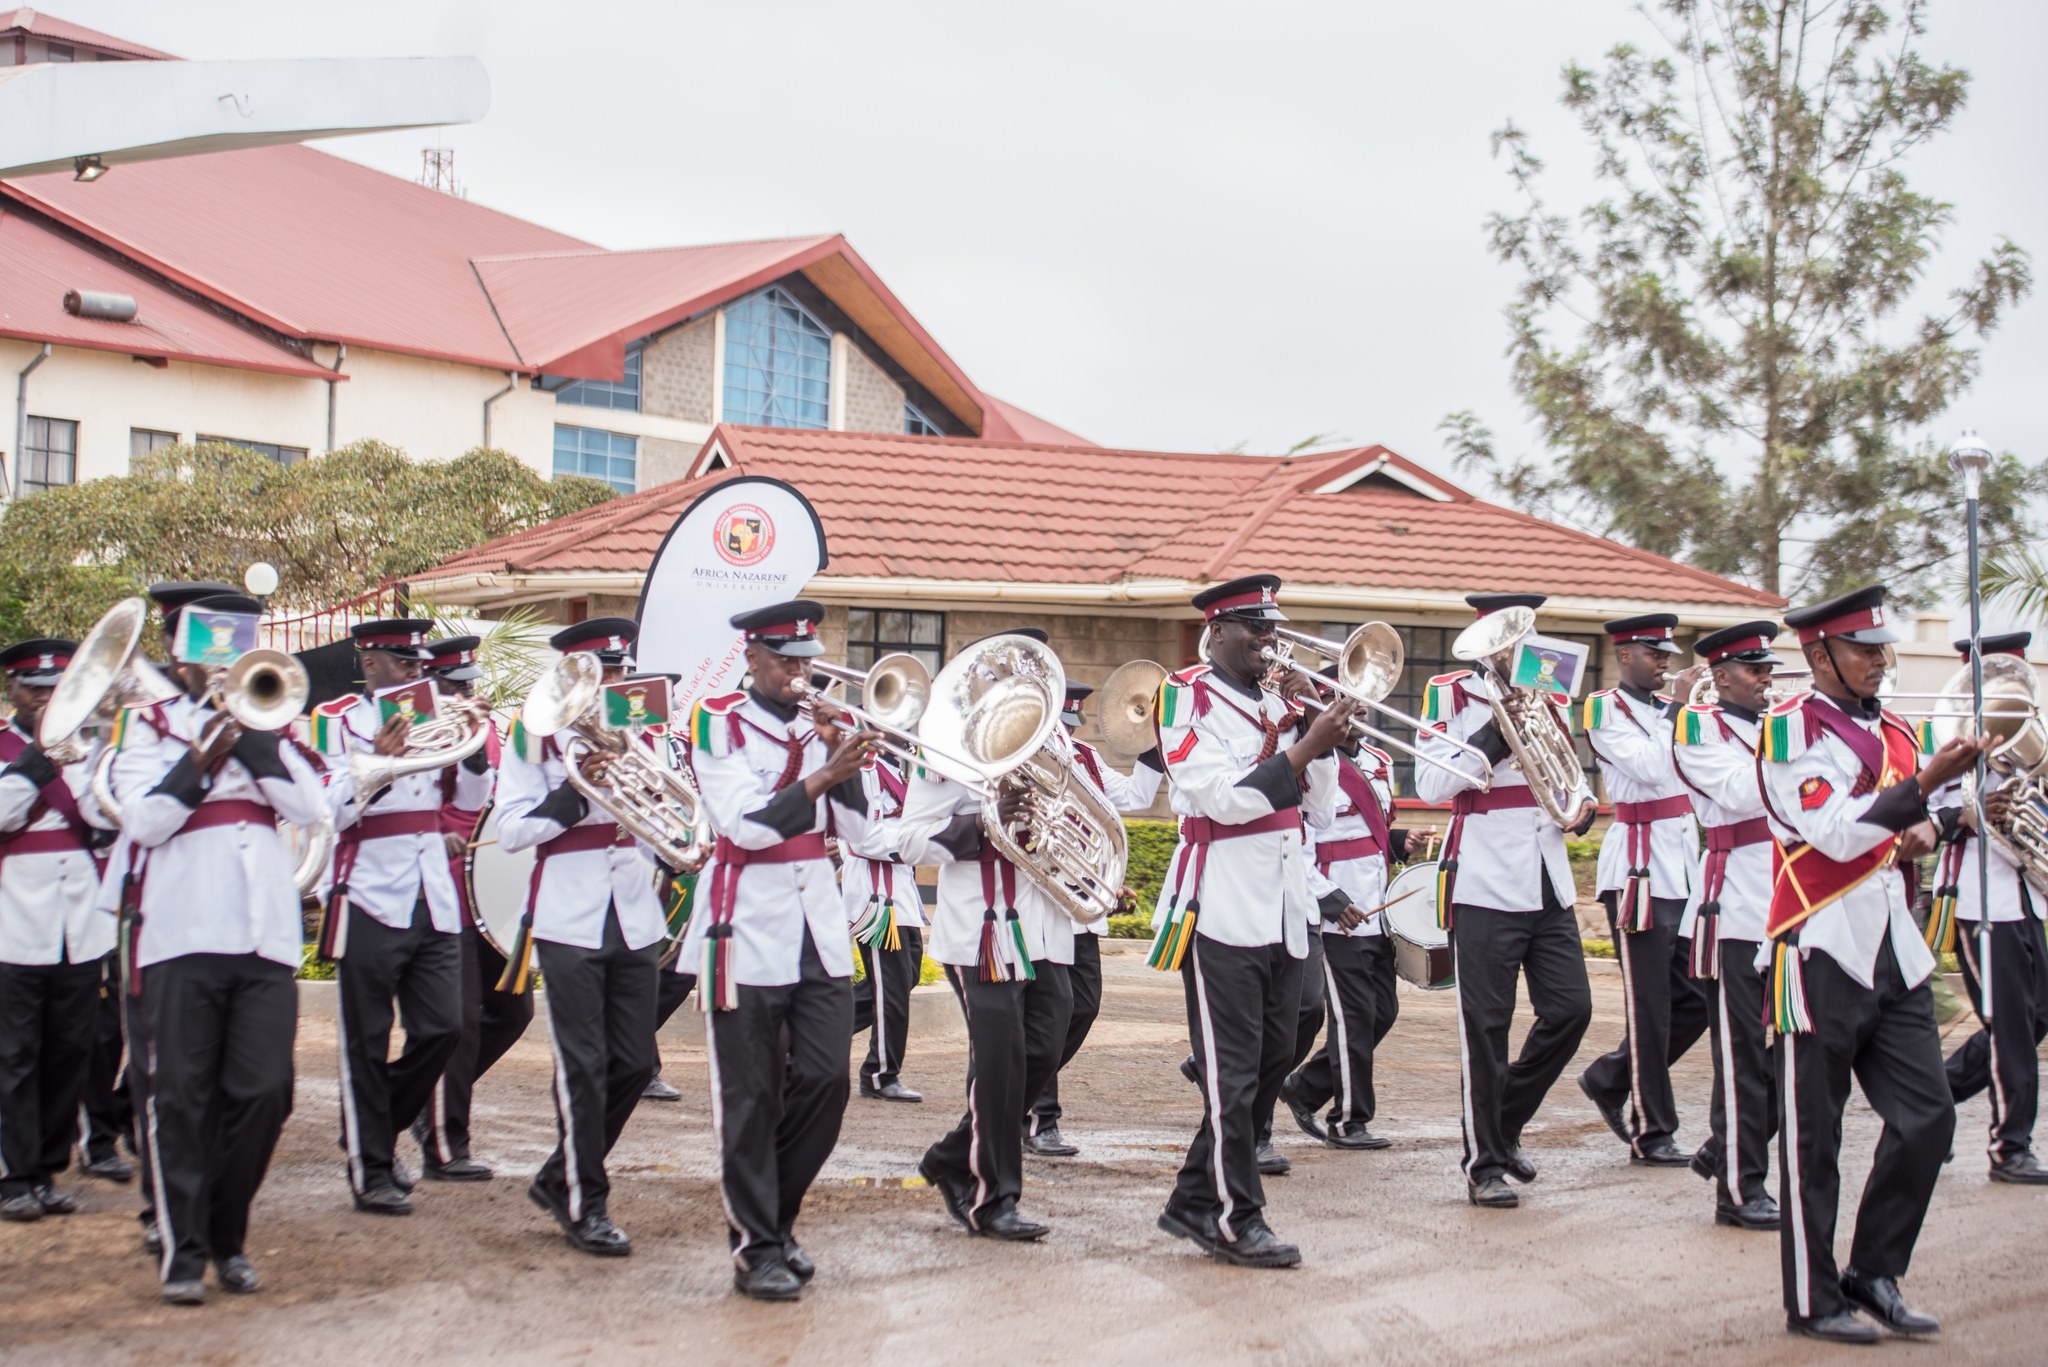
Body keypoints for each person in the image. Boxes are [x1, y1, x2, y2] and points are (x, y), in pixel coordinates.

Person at [1760, 584, 1982, 1343]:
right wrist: (1915, 796)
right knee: (1814, 1137)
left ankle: (1873, 1271)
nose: (1880, 661)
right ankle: (1813, 1295)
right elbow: (1832, 832)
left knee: (1929, 1116)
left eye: (1881, 647)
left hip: (1893, 943)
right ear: (1819, 653)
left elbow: (1924, 813)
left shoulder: (1896, 729)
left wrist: (1951, 806)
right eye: (1863, 648)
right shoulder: (1789, 729)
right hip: (1819, 942)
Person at [110, 586, 329, 1304]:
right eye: (212, 648)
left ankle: (225, 1233)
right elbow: (142, 823)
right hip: (179, 930)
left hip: (263, 934)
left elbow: (312, 808)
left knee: (266, 1091)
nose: (226, 662)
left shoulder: (277, 723)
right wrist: (201, 759)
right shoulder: (143, 726)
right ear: (180, 653)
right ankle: (185, 1251)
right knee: (180, 1097)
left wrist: (258, 741)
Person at [1149, 576, 1349, 1268]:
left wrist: (1322, 742)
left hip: (1285, 900)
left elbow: (1317, 809)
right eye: (1258, 628)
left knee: (1270, 1059)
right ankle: (1237, 1217)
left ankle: (1193, 1198)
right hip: (1222, 902)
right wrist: (1299, 746)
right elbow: (1219, 797)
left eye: (1274, 628)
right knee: (1232, 1073)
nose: (1272, 640)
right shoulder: (1185, 694)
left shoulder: (1278, 700)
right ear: (1219, 629)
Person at [678, 600, 872, 1300]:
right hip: (746, 920)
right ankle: (757, 1242)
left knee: (825, 1079)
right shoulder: (715, 720)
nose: (799, 672)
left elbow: (858, 829)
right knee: (751, 1093)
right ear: (752, 656)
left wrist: (844, 762)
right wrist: (819, 771)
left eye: (806, 660)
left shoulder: (826, 726)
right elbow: (744, 824)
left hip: (816, 920)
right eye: (786, 660)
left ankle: (776, 1217)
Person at [1413, 592, 1597, 1209]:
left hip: (1546, 874)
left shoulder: (1550, 683)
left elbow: (1563, 764)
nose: (1517, 647)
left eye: (1525, 632)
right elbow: (1433, 782)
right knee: (1486, 1028)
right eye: (1505, 635)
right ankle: (1485, 1161)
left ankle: (1504, 1120)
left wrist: (1582, 804)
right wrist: (1499, 731)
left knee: (1571, 1010)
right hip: (1485, 879)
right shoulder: (1450, 692)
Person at [497, 618, 666, 1258]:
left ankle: (558, 1173)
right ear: (574, 676)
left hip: (632, 911)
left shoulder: (638, 727)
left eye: (621, 672)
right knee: (583, 1064)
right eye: (604, 674)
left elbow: (663, 802)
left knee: (634, 1062)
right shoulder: (534, 734)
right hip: (568, 913)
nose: (616, 684)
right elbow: (512, 831)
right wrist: (573, 793)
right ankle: (583, 1201)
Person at [898, 627, 1074, 1243]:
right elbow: (906, 836)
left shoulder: (1057, 741)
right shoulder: (942, 749)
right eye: (1002, 671)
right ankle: (989, 1198)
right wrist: (977, 827)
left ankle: (953, 1155)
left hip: (1045, 925)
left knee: (1045, 1050)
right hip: (982, 929)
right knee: (999, 1064)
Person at [318, 618, 490, 1214]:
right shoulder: (339, 719)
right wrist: (380, 764)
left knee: (444, 1026)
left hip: (431, 892)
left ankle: (375, 1127)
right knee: (365, 1039)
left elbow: (468, 802)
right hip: (366, 888)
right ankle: (370, 1168)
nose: (419, 670)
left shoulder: (438, 712)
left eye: (419, 661)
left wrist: (473, 746)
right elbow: (326, 811)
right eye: (403, 660)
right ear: (371, 664)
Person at [1577, 613, 1708, 1166]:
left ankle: (1612, 1076)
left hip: (1683, 866)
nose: (1664, 662)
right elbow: (1652, 769)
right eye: (1654, 653)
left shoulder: (1674, 714)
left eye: (1667, 653)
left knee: (1699, 998)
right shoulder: (1606, 708)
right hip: (1638, 871)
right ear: (1625, 654)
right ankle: (1651, 1130)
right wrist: (1682, 707)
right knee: (1650, 1008)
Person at [1669, 621, 1785, 1230]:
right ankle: (1739, 1190)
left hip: (1791, 907)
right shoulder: (1698, 728)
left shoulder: (1779, 729)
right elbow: (1743, 793)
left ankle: (1723, 1150)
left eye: (1768, 667)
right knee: (1741, 1057)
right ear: (1720, 676)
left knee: (1801, 1052)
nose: (1768, 677)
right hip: (1735, 907)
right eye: (1753, 668)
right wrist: (1803, 744)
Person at [409, 635, 531, 1182]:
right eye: (452, 687)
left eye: (468, 686)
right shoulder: (412, 736)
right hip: (443, 894)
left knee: (513, 1012)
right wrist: (436, 835)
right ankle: (444, 1144)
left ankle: (414, 1099)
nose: (465, 695)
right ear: (428, 687)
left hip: (494, 898)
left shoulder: (489, 734)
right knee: (456, 1024)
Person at [0, 637, 114, 1222]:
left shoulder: (93, 747)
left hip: (81, 920)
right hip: (16, 920)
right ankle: (14, 1175)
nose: (43, 698)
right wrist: (31, 769)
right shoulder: (1, 746)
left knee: (72, 1049)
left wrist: (85, 767)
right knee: (16, 1053)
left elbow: (105, 815)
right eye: (33, 688)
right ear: (12, 691)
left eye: (54, 689)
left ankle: (45, 1167)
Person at [1026, 680, 1164, 1157]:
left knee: (1082, 1006)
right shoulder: (1020, 754)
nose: (1063, 734)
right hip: (1040, 900)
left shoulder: (1083, 755)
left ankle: (1020, 1092)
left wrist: (1153, 744)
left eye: (1068, 723)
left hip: (1081, 905)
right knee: (1048, 1013)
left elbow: (1132, 797)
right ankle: (1041, 1115)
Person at [1932, 631, 2048, 1185]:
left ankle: (1932, 1102)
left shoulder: (2030, 754)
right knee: (2011, 1029)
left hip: (2025, 898)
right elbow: (1926, 813)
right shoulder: (1947, 746)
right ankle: (2010, 1147)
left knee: (2036, 1017)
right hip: (1981, 902)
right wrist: (1977, 808)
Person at [1282, 719, 1418, 1150]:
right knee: (1354, 1016)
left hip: (1376, 907)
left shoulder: (1378, 760)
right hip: (1338, 910)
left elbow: (1366, 830)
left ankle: (1305, 1087)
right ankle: (1348, 1121)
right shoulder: (1310, 761)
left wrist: (1398, 842)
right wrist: (1325, 897)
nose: (1352, 715)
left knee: (1383, 1012)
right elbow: (1301, 838)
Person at [844, 746, 925, 1105]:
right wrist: (919, 840)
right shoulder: (866, 768)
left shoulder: (895, 767)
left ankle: (806, 1033)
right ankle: (880, 1074)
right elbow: (863, 837)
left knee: (904, 978)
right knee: (890, 989)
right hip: (878, 897)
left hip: (900, 892)